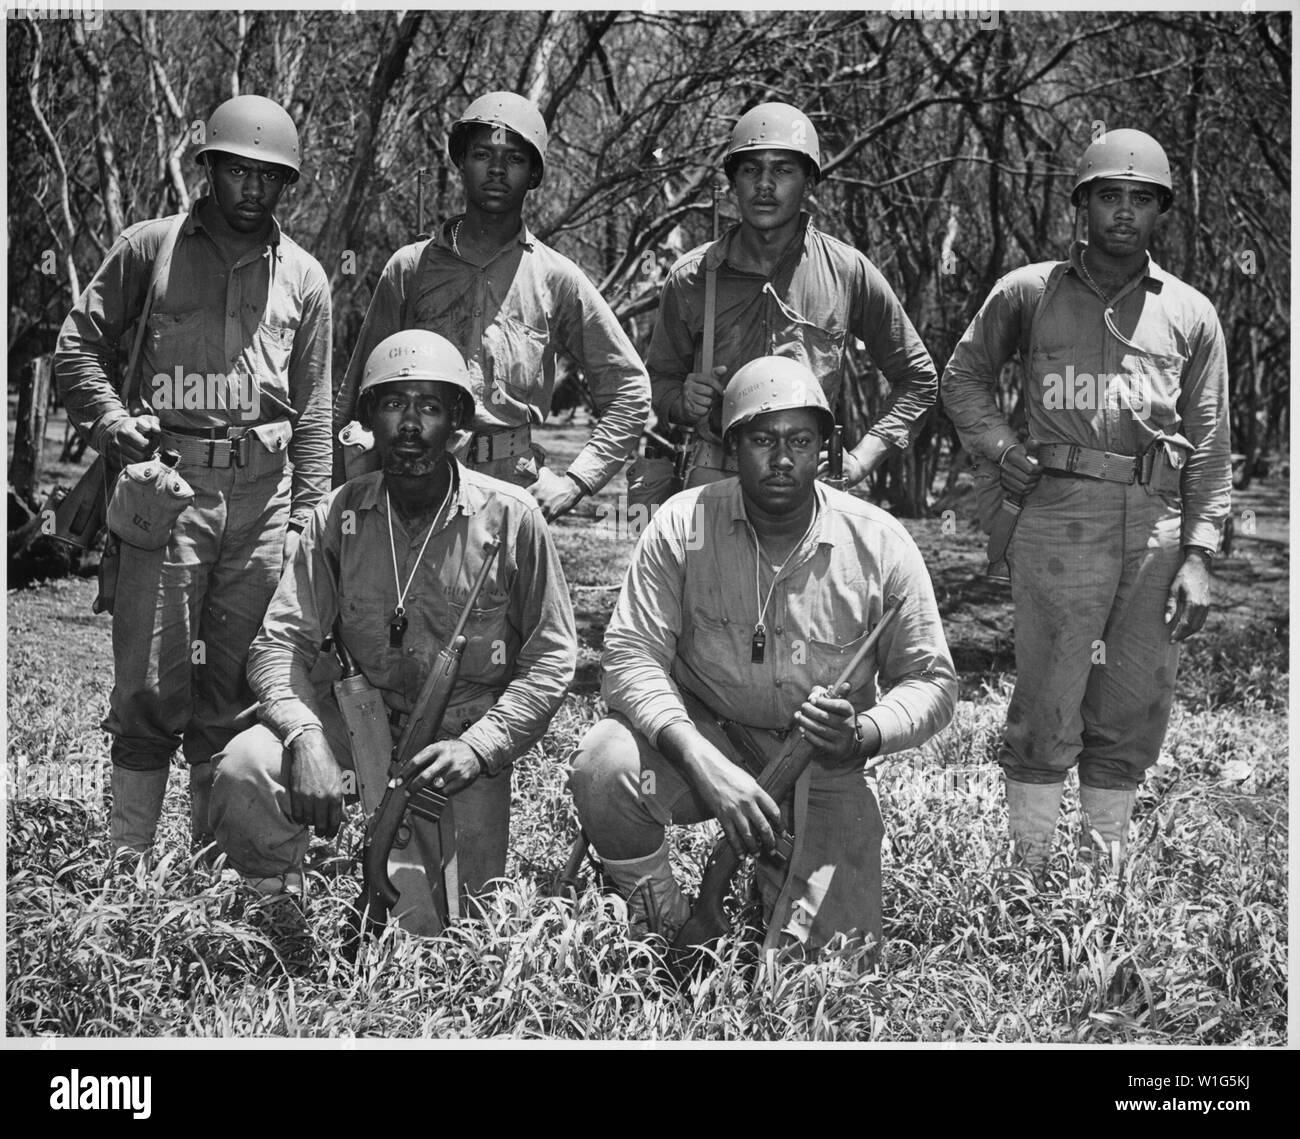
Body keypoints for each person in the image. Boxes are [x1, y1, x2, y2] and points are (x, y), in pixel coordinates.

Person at [569, 357, 956, 959]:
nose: (781, 459)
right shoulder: (682, 524)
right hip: (707, 738)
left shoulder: (880, 542)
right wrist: (701, 760)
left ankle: (774, 893)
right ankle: (660, 917)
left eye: (800, 441)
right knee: (605, 764)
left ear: (824, 449)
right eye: (761, 440)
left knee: (833, 969)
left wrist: (863, 733)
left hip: (822, 762)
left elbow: (931, 682)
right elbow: (630, 655)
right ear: (731, 446)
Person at [941, 128, 1231, 877]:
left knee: (1134, 695)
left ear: (1160, 211)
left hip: (1156, 521)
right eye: (1109, 197)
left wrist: (1199, 553)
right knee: (1048, 692)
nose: (1124, 213)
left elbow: (1209, 441)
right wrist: (1003, 450)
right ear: (1083, 205)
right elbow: (962, 377)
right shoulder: (1030, 291)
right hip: (1058, 513)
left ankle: (1103, 878)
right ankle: (1029, 874)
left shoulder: (1191, 313)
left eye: (1141, 199)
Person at [54, 94, 333, 861]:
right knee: (148, 684)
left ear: (287, 187)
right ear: (206, 168)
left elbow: (314, 409)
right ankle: (130, 860)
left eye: (269, 177)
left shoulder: (306, 278)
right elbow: (76, 349)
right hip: (169, 488)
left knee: (241, 687)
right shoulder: (152, 247)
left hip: (266, 502)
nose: (252, 188)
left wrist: (311, 517)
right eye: (236, 170)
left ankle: (218, 860)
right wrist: (115, 422)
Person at [210, 330, 577, 908]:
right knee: (247, 766)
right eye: (393, 404)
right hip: (357, 722)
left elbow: (553, 657)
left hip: (456, 746)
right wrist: (305, 735)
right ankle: (275, 901)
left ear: (457, 420)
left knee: (447, 931)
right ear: (370, 420)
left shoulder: (513, 519)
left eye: (430, 406)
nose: (410, 425)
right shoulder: (339, 515)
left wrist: (481, 747)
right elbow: (279, 642)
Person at [332, 90, 650, 519]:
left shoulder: (555, 278)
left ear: (534, 175)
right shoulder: (411, 267)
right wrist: (333, 507)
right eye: (483, 153)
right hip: (409, 481)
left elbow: (629, 389)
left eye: (515, 159)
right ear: (461, 161)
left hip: (509, 490)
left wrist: (576, 481)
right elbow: (355, 395)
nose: (497, 170)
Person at [645, 102, 937, 488]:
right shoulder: (692, 277)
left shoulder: (846, 271)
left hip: (808, 481)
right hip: (715, 479)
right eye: (750, 170)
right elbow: (656, 381)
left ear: (809, 182)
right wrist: (680, 403)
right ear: (734, 183)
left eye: (782, 170)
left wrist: (863, 460)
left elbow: (917, 377)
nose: (765, 185)